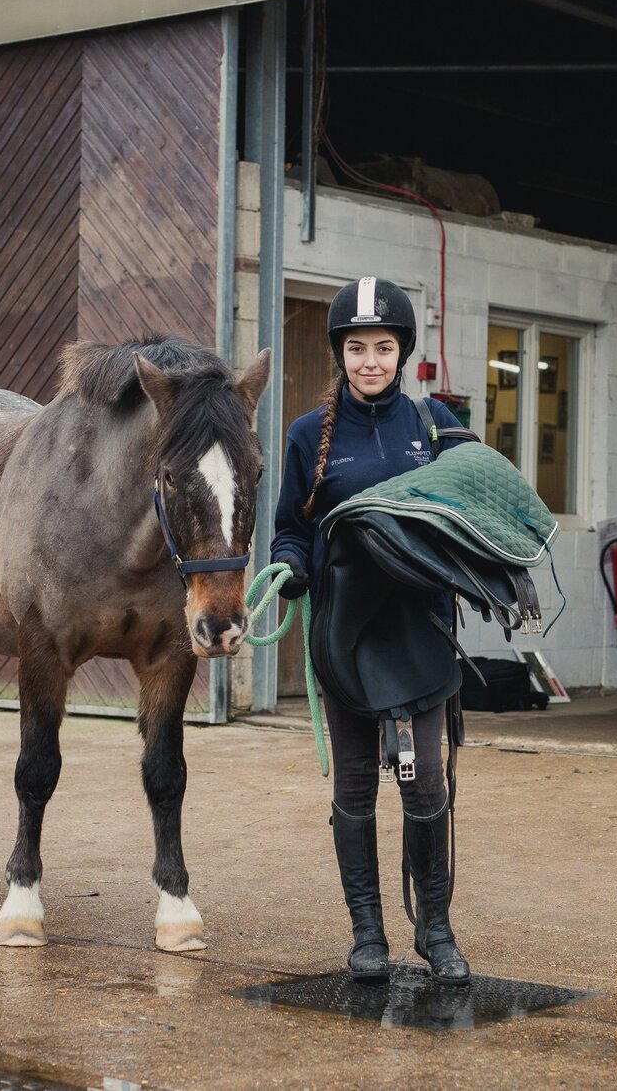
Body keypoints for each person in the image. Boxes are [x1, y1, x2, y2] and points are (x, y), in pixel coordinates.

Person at [272, 276, 472, 985]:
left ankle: (437, 931)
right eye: (357, 348)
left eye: (383, 347)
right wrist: (291, 568)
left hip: (419, 634)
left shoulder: (435, 428)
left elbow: (476, 513)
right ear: (340, 354)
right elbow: (289, 530)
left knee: (423, 788)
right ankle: (366, 935)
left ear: (402, 353)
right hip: (345, 639)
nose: (370, 361)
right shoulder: (307, 438)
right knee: (356, 787)